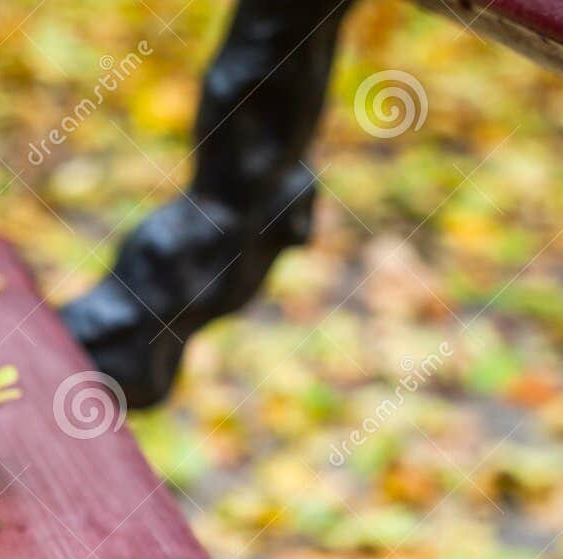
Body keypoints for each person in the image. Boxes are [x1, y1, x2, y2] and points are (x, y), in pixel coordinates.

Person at [61, 0, 355, 407]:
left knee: (220, 214)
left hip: (240, 199)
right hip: (239, 193)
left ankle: (113, 348)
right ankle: (110, 350)